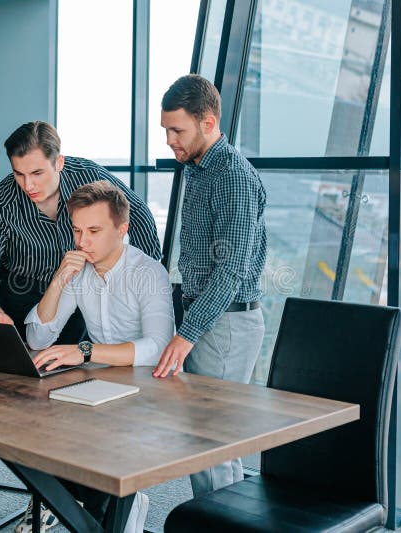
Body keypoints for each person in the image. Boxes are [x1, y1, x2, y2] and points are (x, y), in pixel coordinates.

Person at [23, 180, 174, 533]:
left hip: (146, 387)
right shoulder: (79, 270)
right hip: (96, 381)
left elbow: (157, 347)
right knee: (30, 421)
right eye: (77, 230)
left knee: (95, 445)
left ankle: (102, 509)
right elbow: (36, 335)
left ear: (122, 230)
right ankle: (69, 504)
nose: (82, 241)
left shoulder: (148, 272)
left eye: (93, 230)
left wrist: (86, 351)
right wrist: (60, 279)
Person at [153, 74, 267, 497]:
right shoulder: (201, 169)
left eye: (176, 130)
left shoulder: (232, 176)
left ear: (208, 122)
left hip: (225, 325)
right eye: (166, 130)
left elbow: (231, 271)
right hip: (208, 316)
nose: (169, 140)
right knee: (214, 440)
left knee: (208, 442)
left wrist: (186, 335)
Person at [0, 121, 162, 344]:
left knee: (70, 367)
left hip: (74, 290)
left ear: (59, 162)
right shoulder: (1, 204)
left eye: (37, 173)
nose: (28, 185)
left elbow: (138, 213)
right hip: (18, 293)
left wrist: (143, 274)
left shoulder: (88, 176)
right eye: (19, 174)